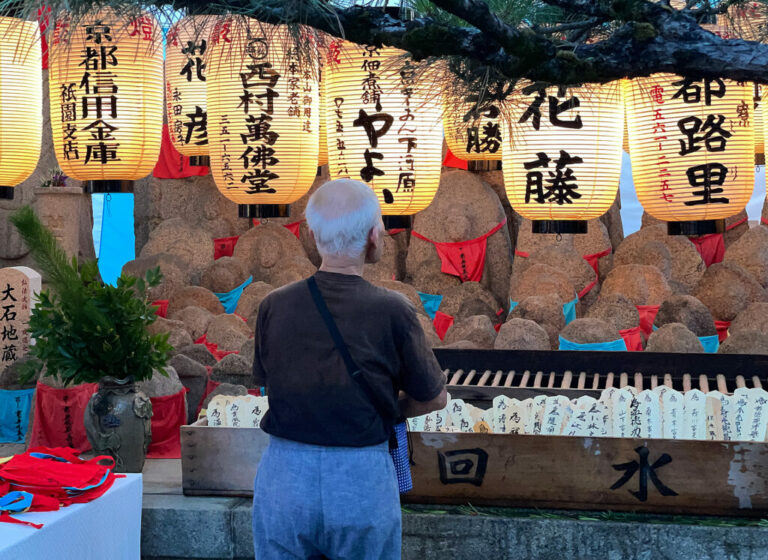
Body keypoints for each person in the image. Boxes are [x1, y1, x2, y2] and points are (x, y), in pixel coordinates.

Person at [251, 178, 448, 559]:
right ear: (374, 236)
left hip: (284, 477)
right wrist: (389, 408)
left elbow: (268, 384)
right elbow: (435, 398)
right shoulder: (393, 309)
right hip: (361, 479)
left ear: (312, 235)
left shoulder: (274, 305)